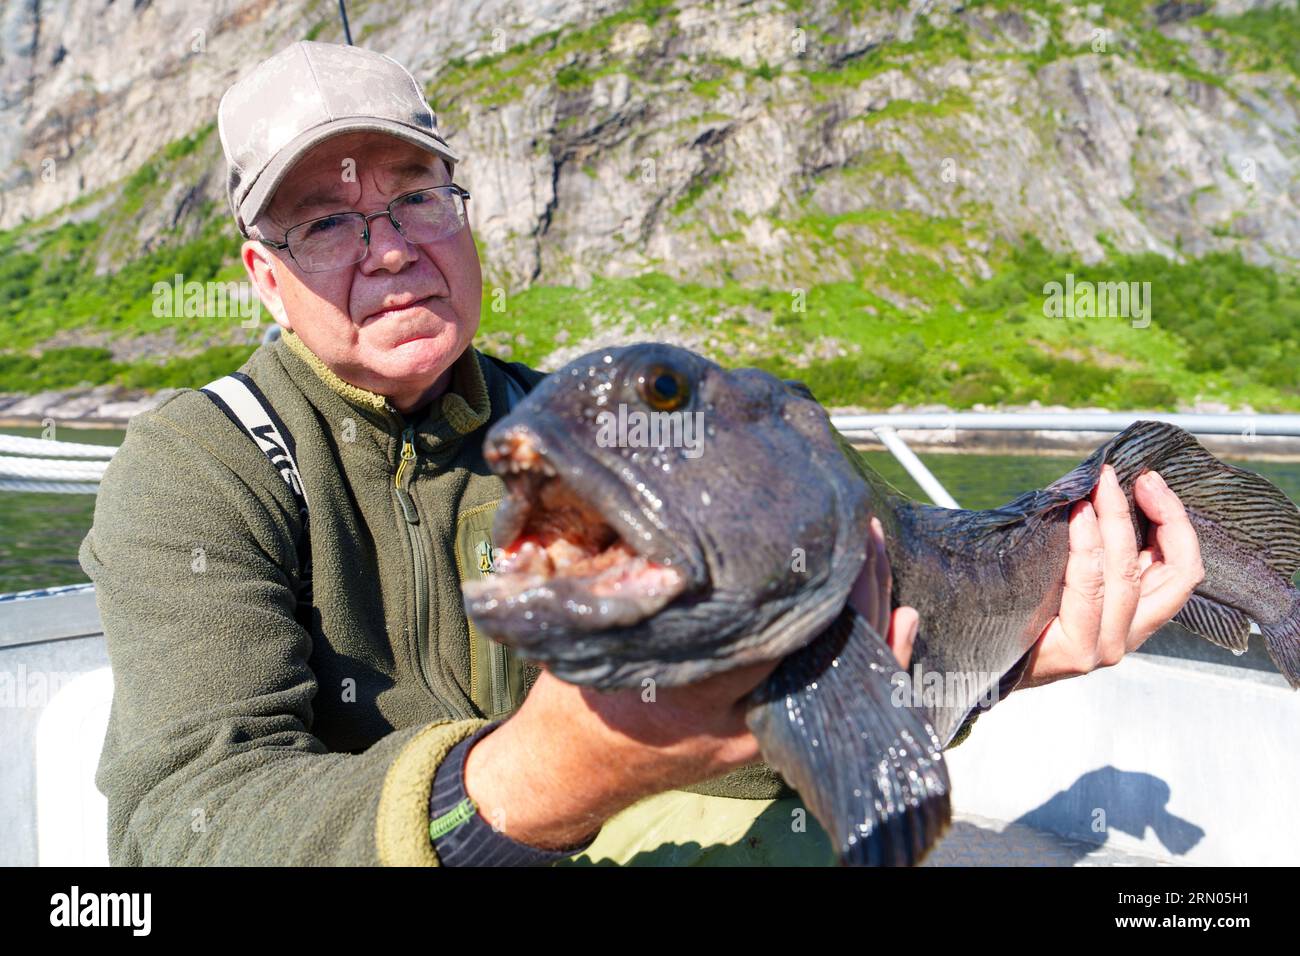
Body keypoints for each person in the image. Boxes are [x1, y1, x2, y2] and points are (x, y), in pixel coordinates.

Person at [79, 40, 1205, 867]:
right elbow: (183, 827)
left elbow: (777, 709)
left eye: (415, 196)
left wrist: (994, 660)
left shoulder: (584, 428)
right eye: (325, 222)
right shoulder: (199, 463)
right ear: (261, 276)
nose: (389, 251)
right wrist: (546, 768)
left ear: (465, 216)